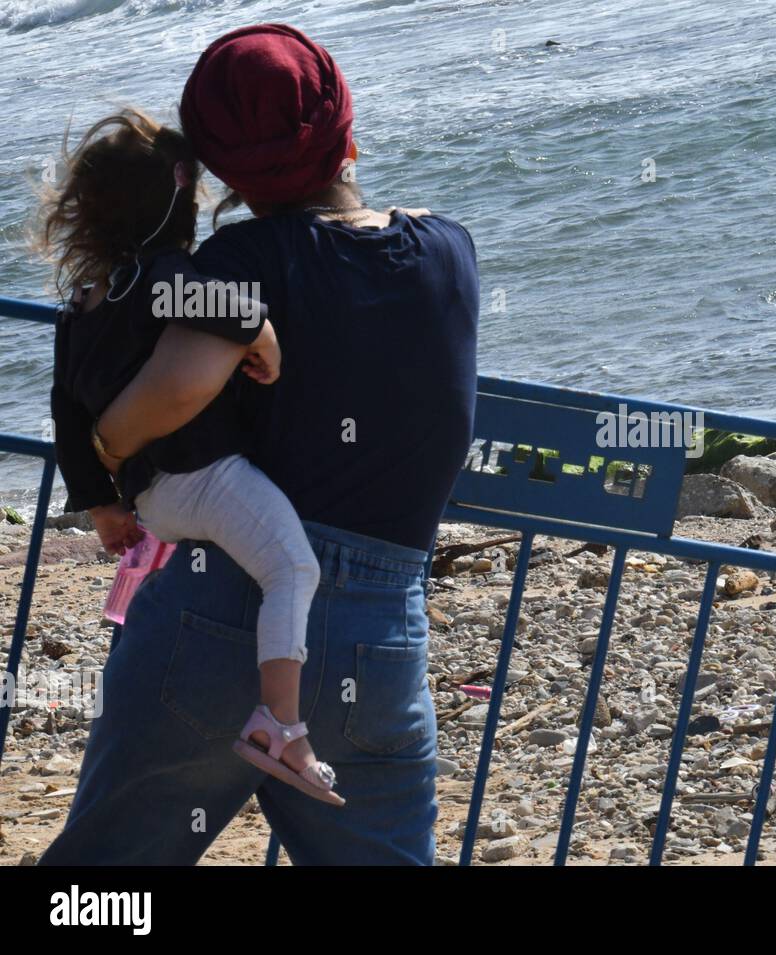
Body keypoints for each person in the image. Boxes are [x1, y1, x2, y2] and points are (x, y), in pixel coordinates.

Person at [40, 23, 479, 865]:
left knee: (106, 881)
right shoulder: (448, 253)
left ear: (225, 174)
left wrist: (104, 445)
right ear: (346, 129)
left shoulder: (231, 260)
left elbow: (174, 387)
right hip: (378, 635)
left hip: (214, 614)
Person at [39, 107, 343, 808]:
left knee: (252, 565)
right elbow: (224, 309)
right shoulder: (164, 276)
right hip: (201, 475)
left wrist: (103, 510)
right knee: (292, 568)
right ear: (174, 206)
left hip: (151, 496)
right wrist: (263, 336)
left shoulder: (80, 306)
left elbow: (66, 416)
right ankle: (280, 724)